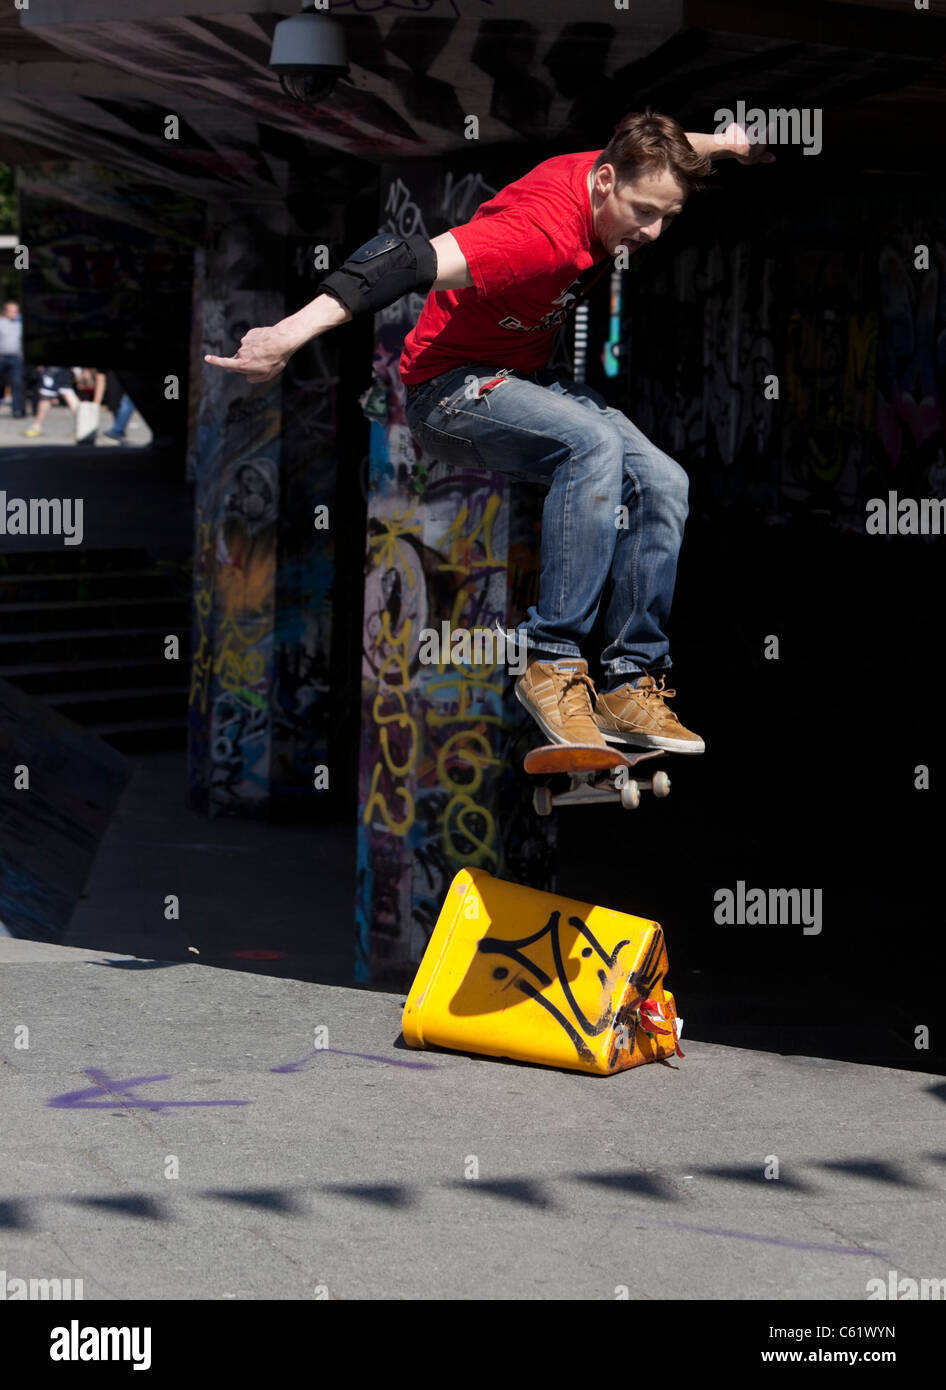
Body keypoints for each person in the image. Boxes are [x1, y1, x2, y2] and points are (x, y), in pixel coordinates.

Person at [205, 110, 772, 754]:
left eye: (667, 216)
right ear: (604, 180)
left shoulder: (625, 164)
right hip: (450, 394)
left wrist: (725, 147)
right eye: (642, 211)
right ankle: (551, 664)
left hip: (524, 379)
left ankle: (628, 680)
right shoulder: (534, 235)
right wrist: (284, 336)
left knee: (665, 482)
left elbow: (667, 146)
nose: (651, 231)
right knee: (594, 444)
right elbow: (399, 259)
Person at [0, 300, 26, 419]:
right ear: (5, 312)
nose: (14, 313)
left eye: (16, 311)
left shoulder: (21, 325)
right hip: (2, 357)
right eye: (12, 311)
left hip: (16, 358)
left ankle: (17, 410)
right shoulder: (1, 323)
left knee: (17, 384)